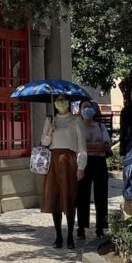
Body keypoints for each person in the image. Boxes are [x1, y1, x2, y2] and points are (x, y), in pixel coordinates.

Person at [40, 94, 86, 248]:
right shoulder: (50, 120)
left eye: (64, 100)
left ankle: (70, 235)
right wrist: (50, 132)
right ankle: (58, 235)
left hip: (69, 161)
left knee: (69, 197)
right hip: (54, 161)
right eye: (58, 100)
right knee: (55, 197)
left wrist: (81, 166)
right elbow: (44, 142)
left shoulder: (76, 120)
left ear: (69, 102)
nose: (61, 103)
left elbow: (81, 145)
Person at [77, 101, 110, 240]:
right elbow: (77, 147)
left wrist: (87, 146)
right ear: (79, 110)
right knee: (82, 196)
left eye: (89, 107)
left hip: (100, 163)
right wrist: (95, 146)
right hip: (83, 164)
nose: (87, 109)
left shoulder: (101, 126)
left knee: (101, 196)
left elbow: (106, 146)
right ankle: (81, 227)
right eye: (84, 107)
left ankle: (100, 227)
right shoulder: (77, 127)